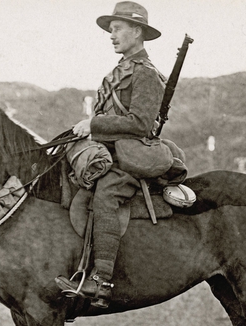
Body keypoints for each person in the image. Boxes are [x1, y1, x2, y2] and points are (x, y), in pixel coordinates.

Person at [55, 1, 166, 309]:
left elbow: (141, 123)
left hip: (131, 157)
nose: (112, 35)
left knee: (106, 194)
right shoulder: (118, 72)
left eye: (117, 29)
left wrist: (93, 124)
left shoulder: (145, 74)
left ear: (137, 31)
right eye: (111, 30)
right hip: (108, 152)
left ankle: (101, 279)